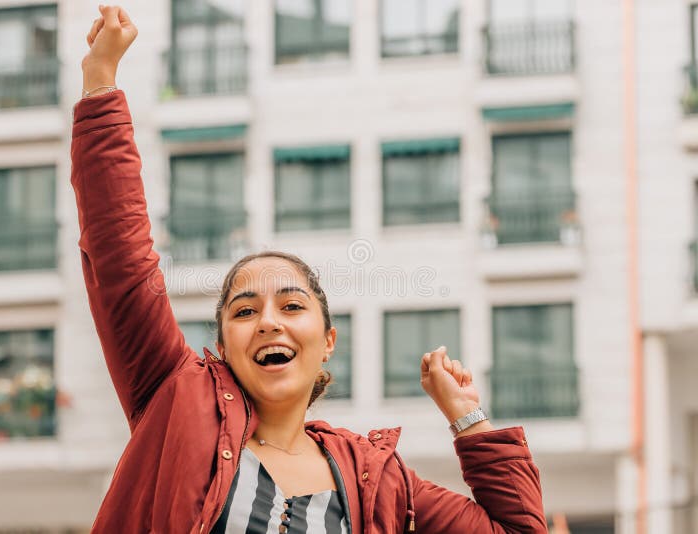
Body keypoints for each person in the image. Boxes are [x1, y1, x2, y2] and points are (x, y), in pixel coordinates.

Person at [72, 5, 547, 533]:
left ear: (327, 341)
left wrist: (467, 419)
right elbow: (121, 255)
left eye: (292, 305)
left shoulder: (376, 480)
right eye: (245, 310)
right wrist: (100, 86)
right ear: (224, 348)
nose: (269, 321)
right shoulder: (178, 398)